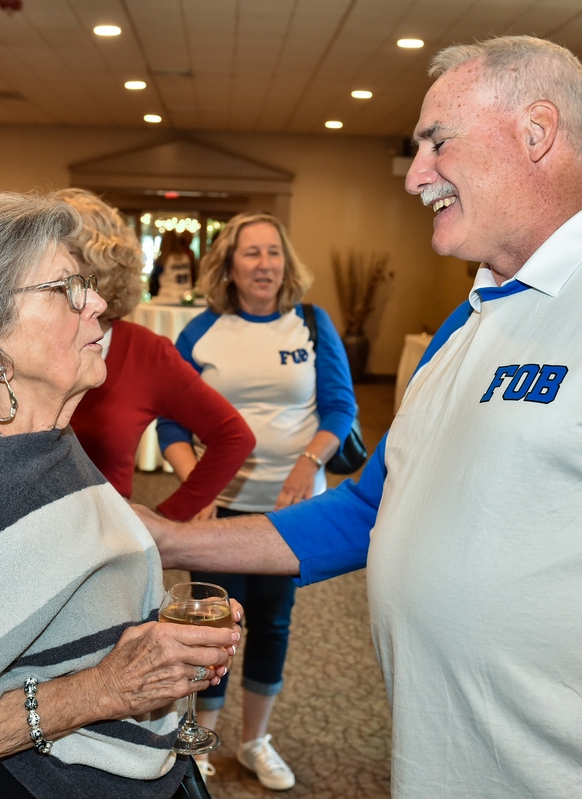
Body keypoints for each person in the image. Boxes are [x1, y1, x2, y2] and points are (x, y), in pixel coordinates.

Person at [138, 36, 582, 799]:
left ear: (536, 133)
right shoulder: (466, 322)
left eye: (438, 143)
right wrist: (173, 537)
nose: (418, 176)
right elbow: (373, 508)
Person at [0, 192, 241, 799]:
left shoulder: (45, 443)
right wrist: (106, 688)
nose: (99, 303)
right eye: (67, 289)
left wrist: (152, 640)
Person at [155, 213, 357, 790]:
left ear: (285, 263)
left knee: (272, 623)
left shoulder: (312, 324)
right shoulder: (201, 332)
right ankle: (203, 744)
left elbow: (341, 409)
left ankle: (254, 742)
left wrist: (307, 462)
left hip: (292, 511)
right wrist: (198, 485)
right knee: (212, 623)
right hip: (216, 512)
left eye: (273, 253)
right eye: (251, 254)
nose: (264, 264)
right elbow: (170, 421)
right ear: (230, 264)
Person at [58, 188, 255, 521]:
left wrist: (164, 524)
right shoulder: (23, 341)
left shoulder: (145, 352)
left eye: (67, 254)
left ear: (102, 268)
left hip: (103, 544)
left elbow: (233, 437)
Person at [150, 230, 197, 301]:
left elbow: (154, 277)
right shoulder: (185, 257)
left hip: (167, 295)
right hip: (185, 294)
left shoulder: (164, 259)